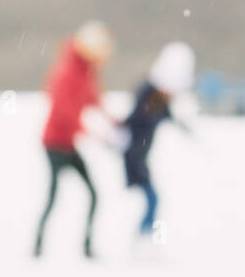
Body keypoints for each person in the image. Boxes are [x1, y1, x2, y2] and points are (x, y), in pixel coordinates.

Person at [35, 21, 114, 258]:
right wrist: (91, 133)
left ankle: (87, 246)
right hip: (54, 144)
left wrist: (111, 120)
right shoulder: (66, 72)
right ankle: (37, 245)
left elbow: (93, 98)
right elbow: (63, 111)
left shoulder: (86, 72)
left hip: (70, 144)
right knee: (54, 197)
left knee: (93, 194)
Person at [123, 42, 195, 238]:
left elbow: (166, 114)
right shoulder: (148, 97)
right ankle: (146, 238)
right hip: (135, 157)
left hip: (139, 157)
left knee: (153, 200)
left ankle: (148, 237)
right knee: (153, 199)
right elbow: (134, 121)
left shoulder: (158, 101)